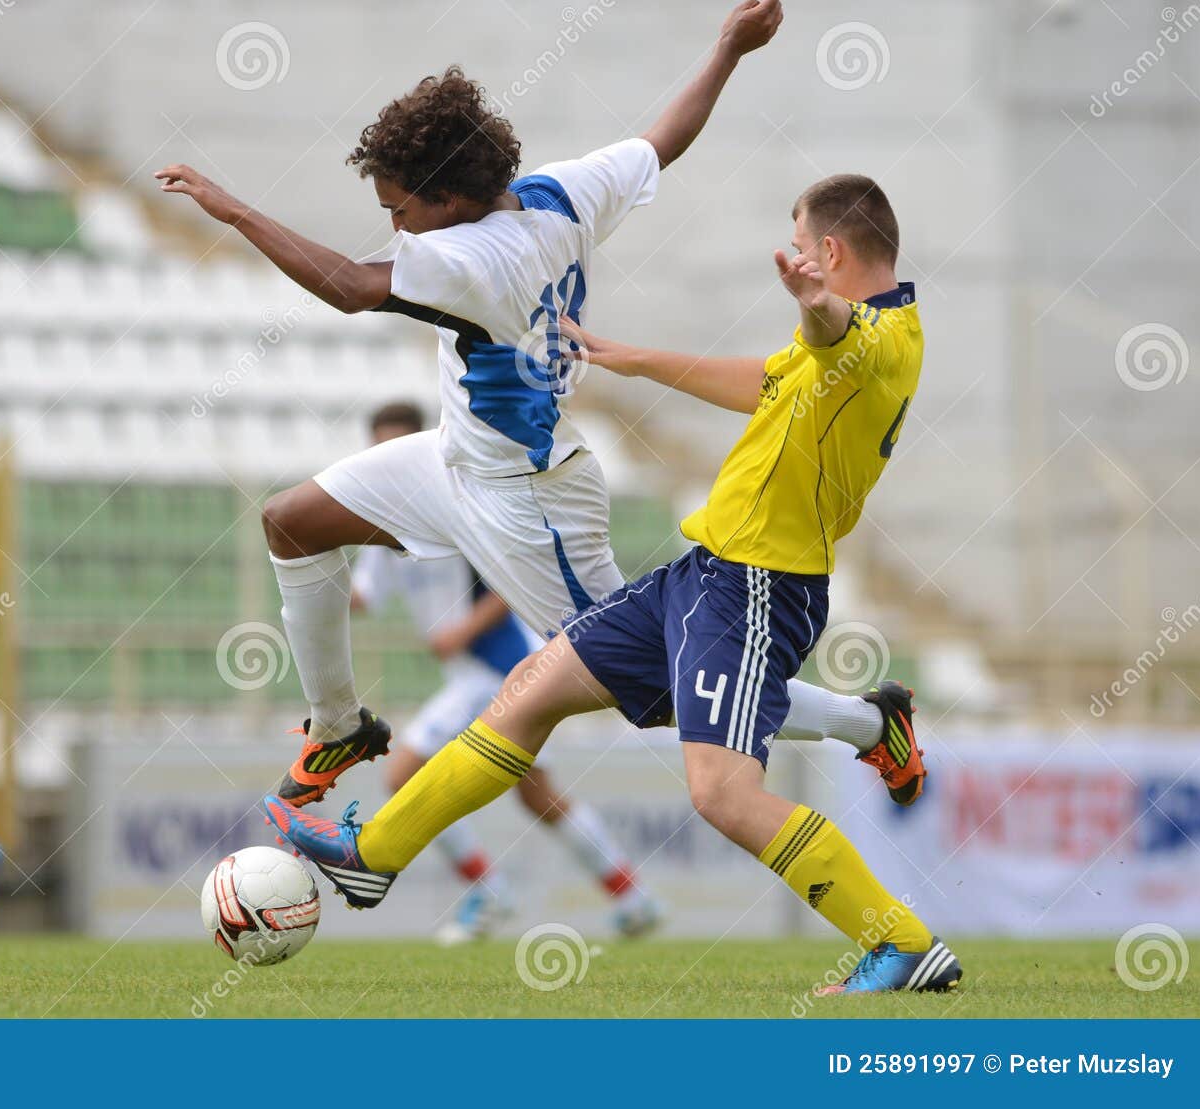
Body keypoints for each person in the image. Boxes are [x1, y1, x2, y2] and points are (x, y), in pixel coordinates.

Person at [156, 0, 923, 811]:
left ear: (446, 198)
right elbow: (662, 142)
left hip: (531, 505)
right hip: (454, 457)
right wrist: (728, 49)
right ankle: (338, 724)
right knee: (292, 522)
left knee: (663, 691)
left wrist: (232, 209)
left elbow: (347, 286)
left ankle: (870, 726)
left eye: (400, 209)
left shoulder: (471, 261)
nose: (399, 229)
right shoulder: (557, 194)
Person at [265, 176, 962, 994]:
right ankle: (371, 856)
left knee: (724, 795)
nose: (800, 259)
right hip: (703, 575)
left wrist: (814, 303)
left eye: (805, 247)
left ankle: (904, 940)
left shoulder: (872, 337)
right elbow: (765, 381)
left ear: (832, 254)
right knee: (528, 690)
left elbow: (831, 327)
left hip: (757, 589)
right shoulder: (856, 347)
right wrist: (622, 356)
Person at [354, 402, 660, 942]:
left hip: (496, 670)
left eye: (398, 443)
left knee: (402, 775)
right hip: (470, 676)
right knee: (537, 793)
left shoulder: (448, 504)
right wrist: (307, 565)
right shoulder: (381, 525)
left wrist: (464, 630)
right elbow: (360, 597)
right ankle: (631, 897)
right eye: (381, 446)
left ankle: (488, 896)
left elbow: (505, 576)